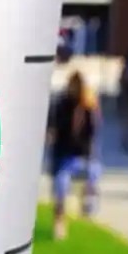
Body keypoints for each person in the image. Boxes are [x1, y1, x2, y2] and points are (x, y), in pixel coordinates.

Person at [47, 72, 102, 241]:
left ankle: (87, 205)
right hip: (64, 157)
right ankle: (59, 220)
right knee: (61, 184)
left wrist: (92, 111)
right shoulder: (61, 105)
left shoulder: (88, 107)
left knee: (94, 172)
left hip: (82, 157)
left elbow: (93, 134)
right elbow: (53, 130)